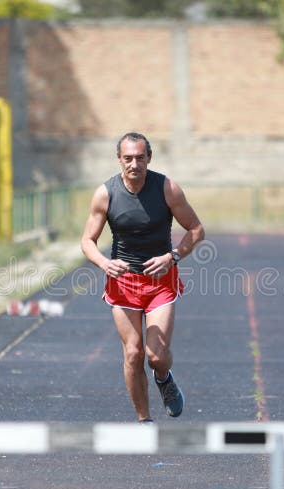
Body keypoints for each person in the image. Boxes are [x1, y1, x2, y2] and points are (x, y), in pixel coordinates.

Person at [81, 132, 205, 423]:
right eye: (128, 158)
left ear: (149, 158)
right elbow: (87, 240)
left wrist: (172, 256)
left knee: (155, 355)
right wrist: (103, 262)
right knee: (133, 354)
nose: (134, 164)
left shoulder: (167, 188)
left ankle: (164, 378)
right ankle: (144, 421)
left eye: (140, 157)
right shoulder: (105, 193)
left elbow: (197, 230)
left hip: (160, 281)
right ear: (119, 160)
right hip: (123, 283)